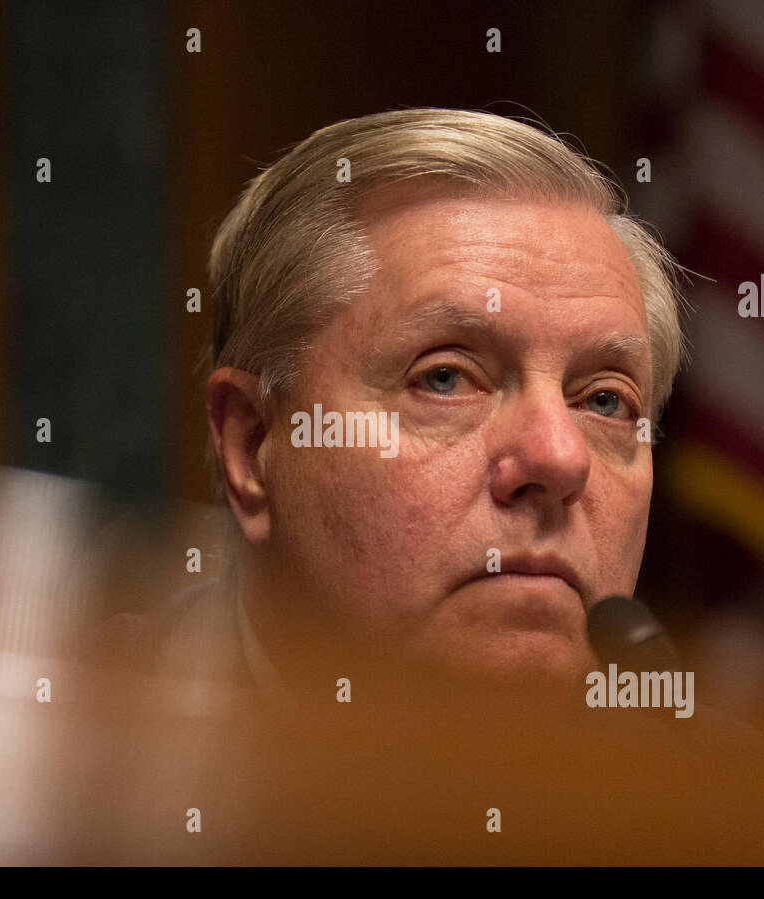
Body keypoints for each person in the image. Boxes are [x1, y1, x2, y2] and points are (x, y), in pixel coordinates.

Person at [109, 107, 688, 715]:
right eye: (444, 379)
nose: (560, 457)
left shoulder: (712, 784)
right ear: (253, 446)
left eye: (604, 401)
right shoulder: (54, 750)